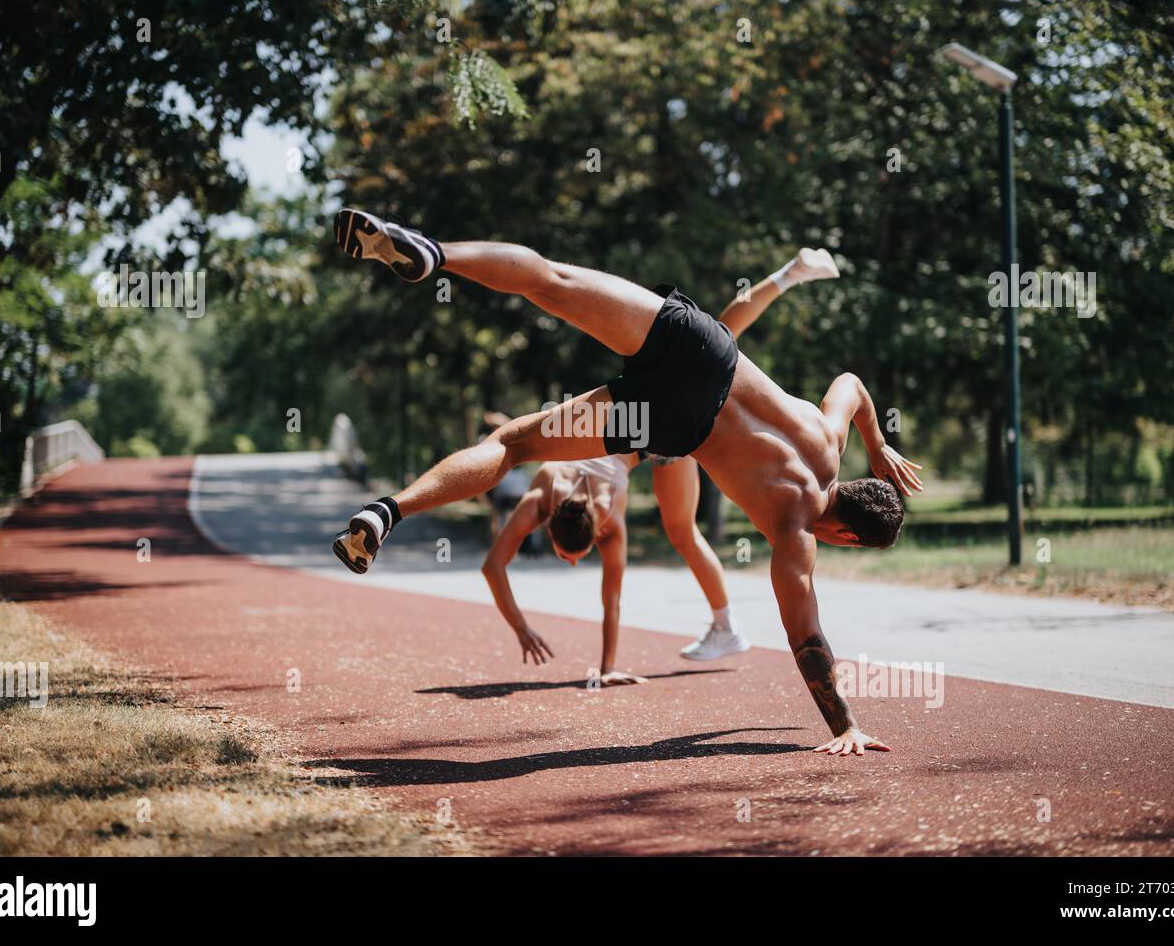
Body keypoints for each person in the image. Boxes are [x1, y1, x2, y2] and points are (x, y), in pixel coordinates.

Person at [330, 208, 923, 756]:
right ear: (846, 535)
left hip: (705, 350)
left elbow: (851, 382)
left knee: (552, 282)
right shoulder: (796, 533)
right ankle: (388, 511)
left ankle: (435, 253)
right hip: (670, 420)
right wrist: (843, 723)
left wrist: (877, 445)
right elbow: (808, 640)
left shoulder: (828, 438)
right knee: (513, 445)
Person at [479, 252, 837, 683]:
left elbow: (607, 597)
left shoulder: (600, 520)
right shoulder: (554, 499)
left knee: (683, 532)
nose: (572, 562)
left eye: (568, 555)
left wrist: (526, 631)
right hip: (640, 423)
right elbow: (498, 567)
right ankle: (786, 275)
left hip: (657, 432)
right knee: (724, 335)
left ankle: (727, 627)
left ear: (588, 531)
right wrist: (605, 667)